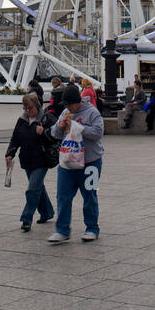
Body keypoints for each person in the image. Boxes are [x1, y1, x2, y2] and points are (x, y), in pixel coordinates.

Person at [46, 83, 104, 243]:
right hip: (67, 162)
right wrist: (60, 126)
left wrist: (79, 127)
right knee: (62, 196)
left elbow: (98, 132)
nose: (67, 108)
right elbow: (54, 133)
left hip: (90, 162)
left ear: (77, 101)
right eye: (65, 105)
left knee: (90, 196)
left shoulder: (92, 112)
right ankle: (62, 230)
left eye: (69, 104)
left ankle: (92, 228)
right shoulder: (65, 112)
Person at [5, 93, 55, 231]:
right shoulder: (22, 120)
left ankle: (26, 218)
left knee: (32, 189)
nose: (27, 111)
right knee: (38, 187)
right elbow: (15, 138)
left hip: (42, 159)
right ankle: (47, 212)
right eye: (25, 108)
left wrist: (44, 132)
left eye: (30, 108)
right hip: (27, 159)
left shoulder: (46, 119)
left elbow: (57, 135)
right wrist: (10, 154)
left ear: (37, 106)